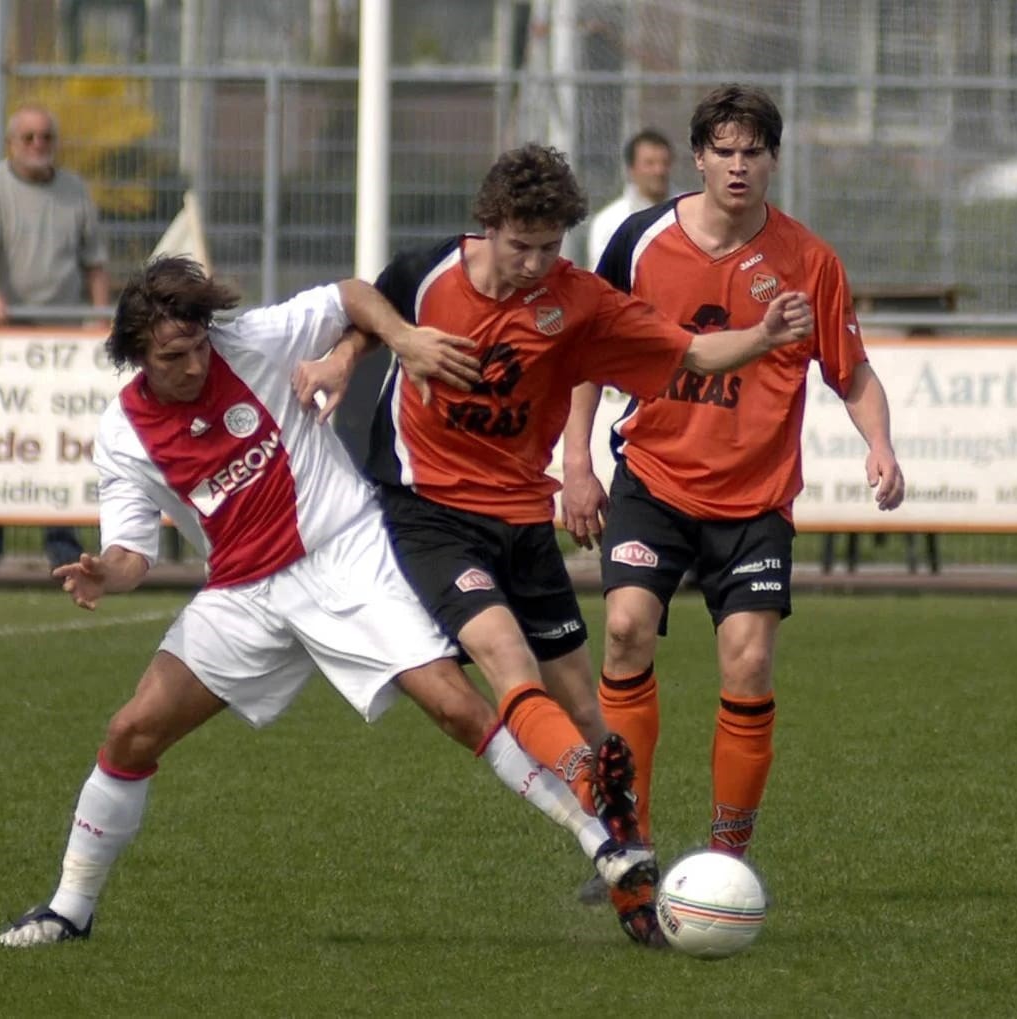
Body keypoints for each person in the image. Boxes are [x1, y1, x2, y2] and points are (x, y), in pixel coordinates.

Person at [0, 256, 653, 947]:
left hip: (346, 553)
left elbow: (351, 295)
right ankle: (71, 907)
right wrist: (108, 572)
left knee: (457, 706)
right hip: (245, 593)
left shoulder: (252, 339)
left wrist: (398, 338)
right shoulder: (123, 433)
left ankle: (598, 840)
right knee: (132, 729)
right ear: (138, 356)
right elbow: (132, 551)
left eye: (196, 346)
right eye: (172, 356)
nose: (192, 364)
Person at [293, 143, 814, 945]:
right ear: (489, 225)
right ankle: (586, 788)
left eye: (550, 245)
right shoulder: (434, 272)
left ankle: (629, 873)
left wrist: (764, 333)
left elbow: (691, 350)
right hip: (429, 511)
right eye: (520, 244)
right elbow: (367, 298)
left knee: (588, 707)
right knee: (508, 661)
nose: (536, 262)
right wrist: (375, 346)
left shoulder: (580, 303)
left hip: (521, 518)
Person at [562, 84, 906, 879]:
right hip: (652, 478)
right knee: (622, 630)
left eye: (754, 151)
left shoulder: (808, 261)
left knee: (748, 662)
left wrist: (880, 445)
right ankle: (628, 835)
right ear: (699, 158)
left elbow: (852, 374)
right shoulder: (641, 243)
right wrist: (577, 461)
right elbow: (588, 353)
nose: (739, 164)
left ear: (773, 159)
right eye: (725, 150)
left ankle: (727, 858)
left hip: (754, 498)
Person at [0, 103, 111, 584]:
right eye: (27, 138)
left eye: (45, 137)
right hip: (5, 336)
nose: (37, 146)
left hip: (60, 335)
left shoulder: (75, 191)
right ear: (11, 143)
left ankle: (61, 544)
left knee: (57, 439)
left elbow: (94, 262)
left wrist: (98, 317)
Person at [585, 128, 673, 271]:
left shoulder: (687, 210)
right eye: (650, 163)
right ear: (632, 169)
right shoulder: (610, 221)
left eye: (664, 162)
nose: (659, 171)